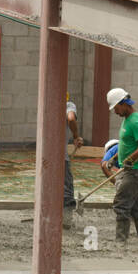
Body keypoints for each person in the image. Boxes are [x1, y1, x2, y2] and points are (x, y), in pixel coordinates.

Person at [106, 86, 138, 243]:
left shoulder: (135, 120)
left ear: (124, 103)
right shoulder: (127, 120)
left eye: (116, 108)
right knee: (135, 208)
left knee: (121, 205)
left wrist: (131, 160)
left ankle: (120, 240)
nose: (115, 111)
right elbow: (126, 144)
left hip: (136, 171)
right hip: (132, 169)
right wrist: (115, 157)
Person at [64, 93, 83, 223]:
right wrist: (76, 136)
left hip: (44, 157)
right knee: (66, 189)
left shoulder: (46, 105)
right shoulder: (68, 105)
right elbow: (71, 118)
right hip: (60, 157)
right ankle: (65, 220)